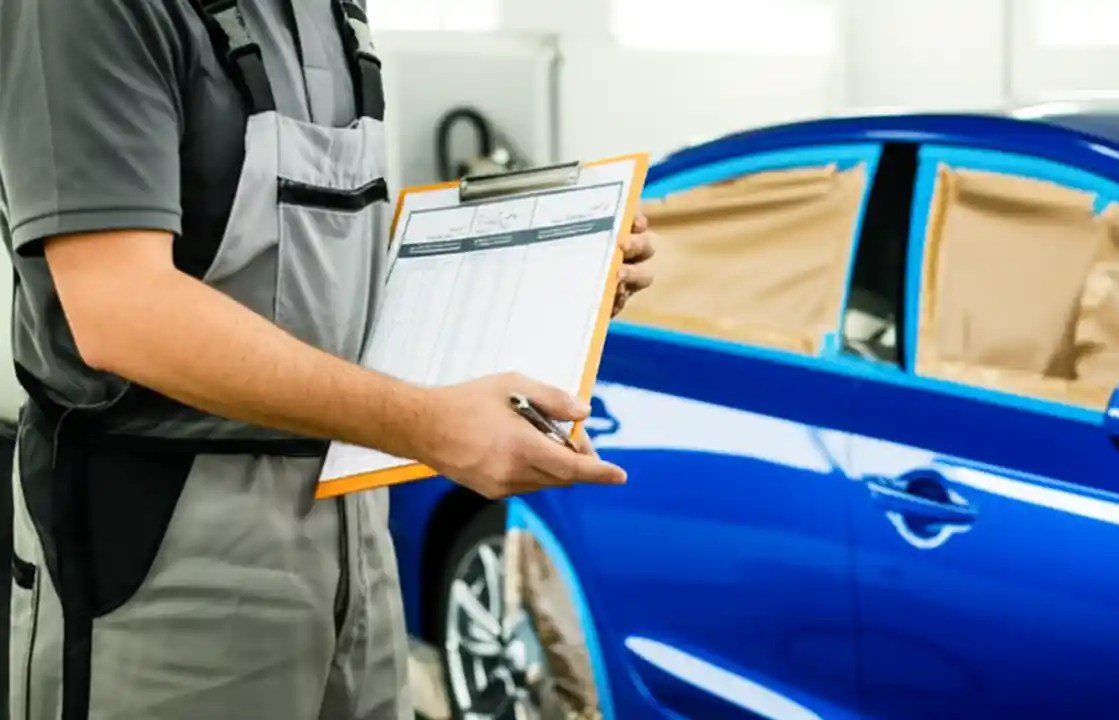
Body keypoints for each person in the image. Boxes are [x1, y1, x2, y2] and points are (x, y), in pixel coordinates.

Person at [0, 0, 656, 718]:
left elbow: (329, 285)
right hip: (166, 551)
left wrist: (554, 286)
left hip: (356, 530)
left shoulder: (334, 11)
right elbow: (121, 311)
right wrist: (426, 424)